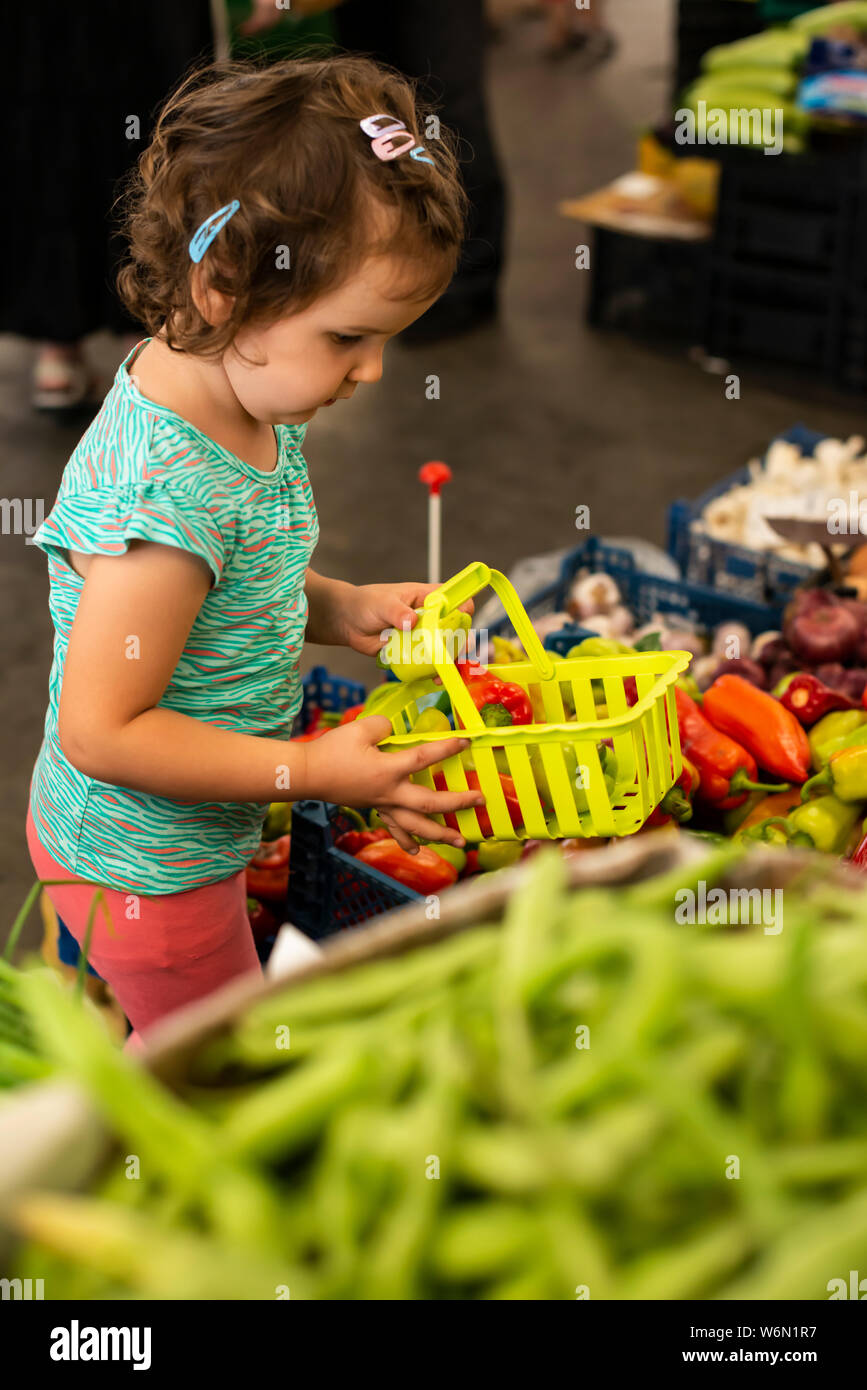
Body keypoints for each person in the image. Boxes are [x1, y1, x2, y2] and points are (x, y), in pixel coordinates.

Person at [26, 56, 486, 1049]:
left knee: (126, 1010)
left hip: (176, 837)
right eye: (348, 338)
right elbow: (104, 730)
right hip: (149, 869)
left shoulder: (250, 390)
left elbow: (241, 577)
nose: (368, 372)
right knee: (218, 1070)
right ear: (223, 285)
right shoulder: (166, 497)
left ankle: (98, 1010)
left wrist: (336, 602)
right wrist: (313, 767)